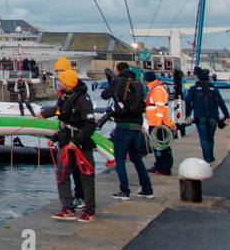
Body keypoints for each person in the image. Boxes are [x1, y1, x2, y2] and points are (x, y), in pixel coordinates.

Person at [43, 63, 97, 222]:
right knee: (62, 175)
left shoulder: (82, 99)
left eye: (61, 81)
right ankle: (67, 208)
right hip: (65, 141)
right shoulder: (65, 96)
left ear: (68, 83)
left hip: (80, 144)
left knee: (86, 177)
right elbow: (63, 120)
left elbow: (90, 125)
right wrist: (54, 138)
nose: (59, 83)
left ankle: (89, 210)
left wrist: (77, 140)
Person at [102, 63, 153, 201]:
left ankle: (124, 190)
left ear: (118, 71)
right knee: (136, 158)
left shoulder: (118, 81)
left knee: (120, 159)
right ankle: (147, 189)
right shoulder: (138, 83)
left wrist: (112, 83)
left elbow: (104, 95)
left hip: (123, 125)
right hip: (137, 125)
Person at [185, 67, 229, 163]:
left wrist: (187, 115)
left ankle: (208, 159)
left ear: (199, 79)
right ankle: (211, 156)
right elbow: (221, 103)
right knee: (210, 138)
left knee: (204, 138)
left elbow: (188, 102)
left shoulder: (194, 89)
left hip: (200, 117)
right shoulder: (214, 89)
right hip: (213, 117)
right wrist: (227, 116)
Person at [144, 71, 174, 176]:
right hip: (154, 122)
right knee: (157, 146)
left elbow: (160, 107)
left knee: (162, 146)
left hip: (159, 124)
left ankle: (165, 168)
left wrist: (158, 123)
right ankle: (159, 165)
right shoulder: (155, 88)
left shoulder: (157, 90)